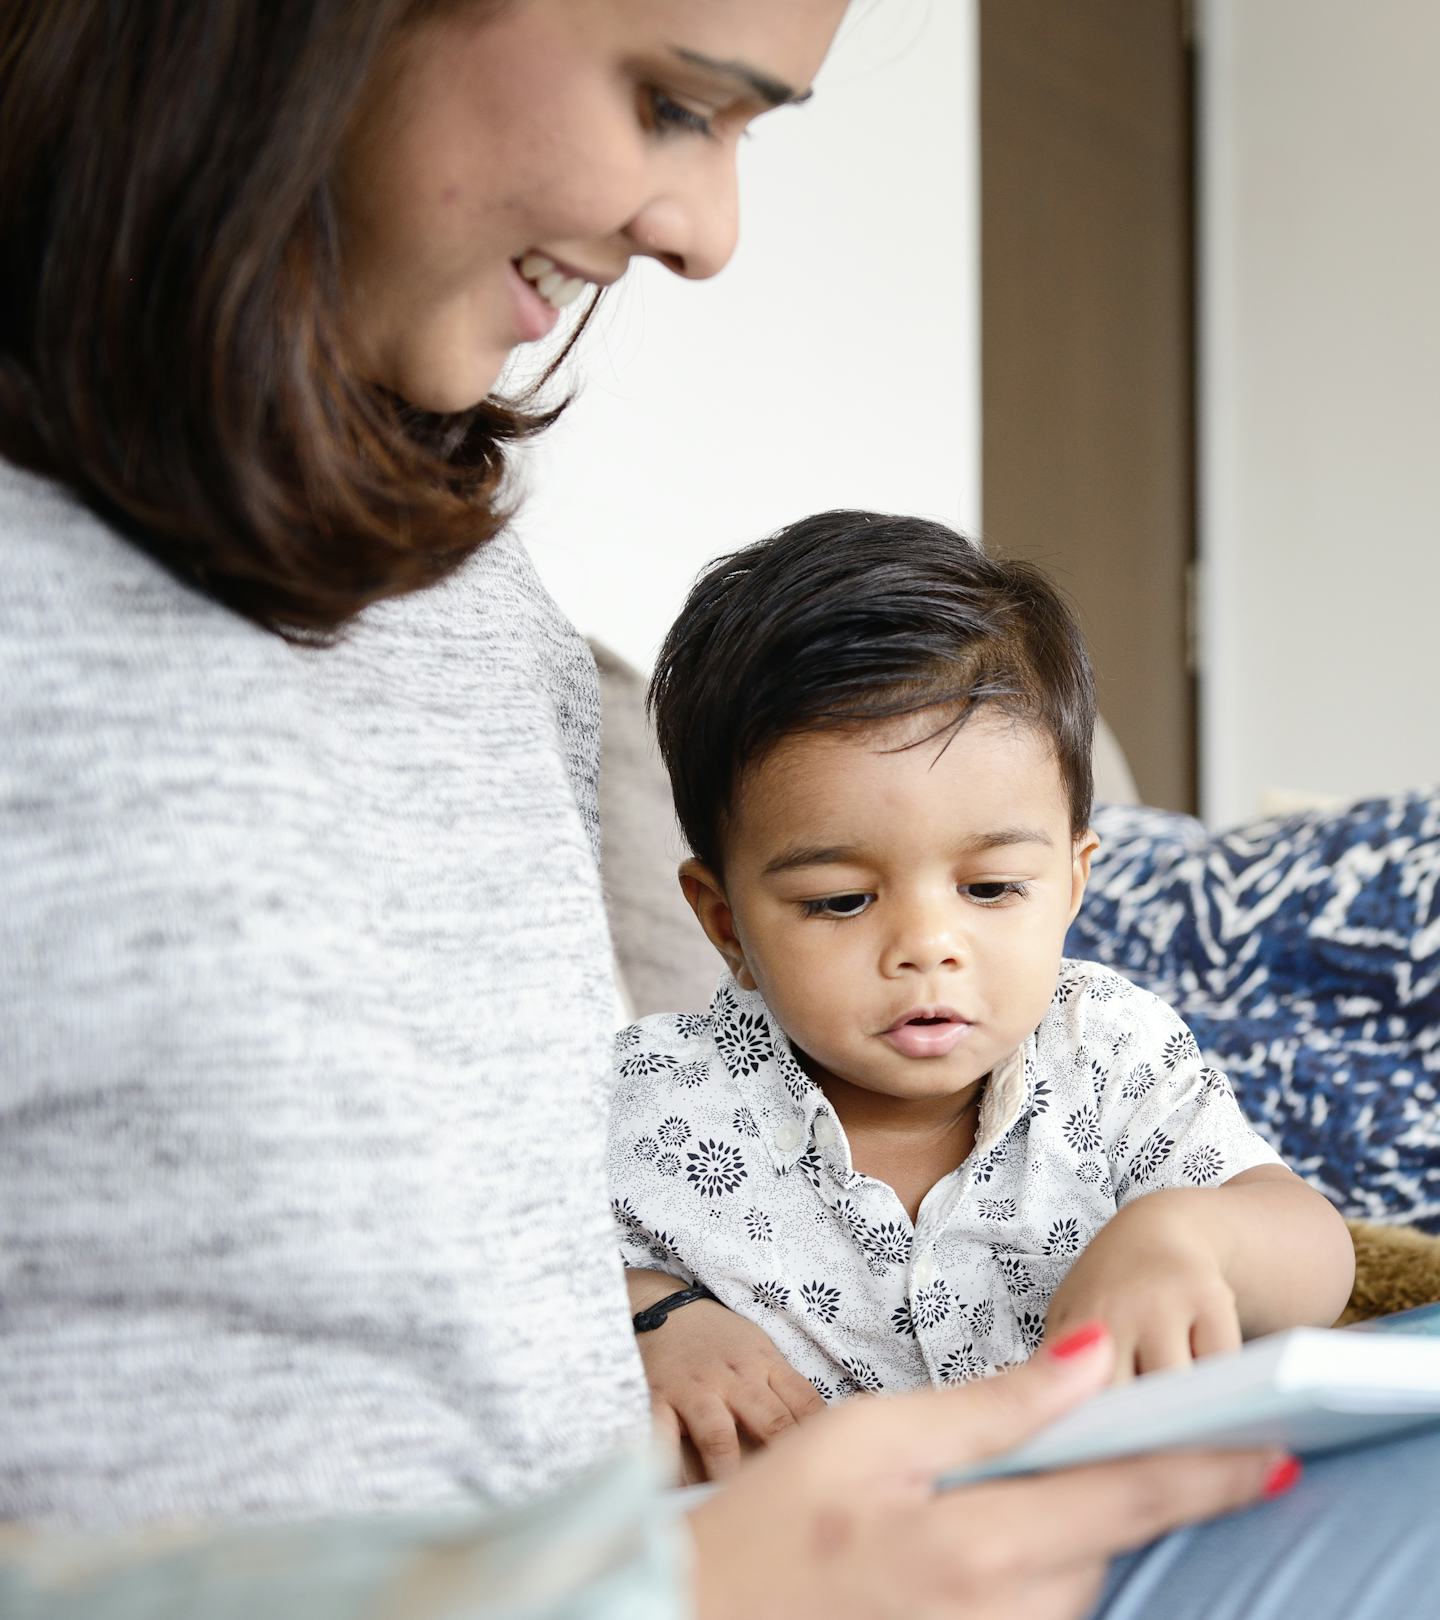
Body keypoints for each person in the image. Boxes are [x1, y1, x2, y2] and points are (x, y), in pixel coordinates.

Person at [0, 4, 1435, 1619]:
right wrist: (675, 1461)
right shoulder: (683, 1095)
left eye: (992, 887)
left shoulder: (474, 608)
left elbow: (496, 1279)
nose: (709, 236)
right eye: (673, 101)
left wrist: (1196, 1241)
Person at [613, 511, 1354, 1474]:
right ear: (725, 925)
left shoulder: (1111, 1051)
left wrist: (1191, 1236)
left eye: (993, 889)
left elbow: (1321, 1256)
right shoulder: (649, 1098)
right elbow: (493, 1283)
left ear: (1073, 885)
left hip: (1108, 1531)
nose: (928, 948)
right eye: (840, 901)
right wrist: (653, 1316)